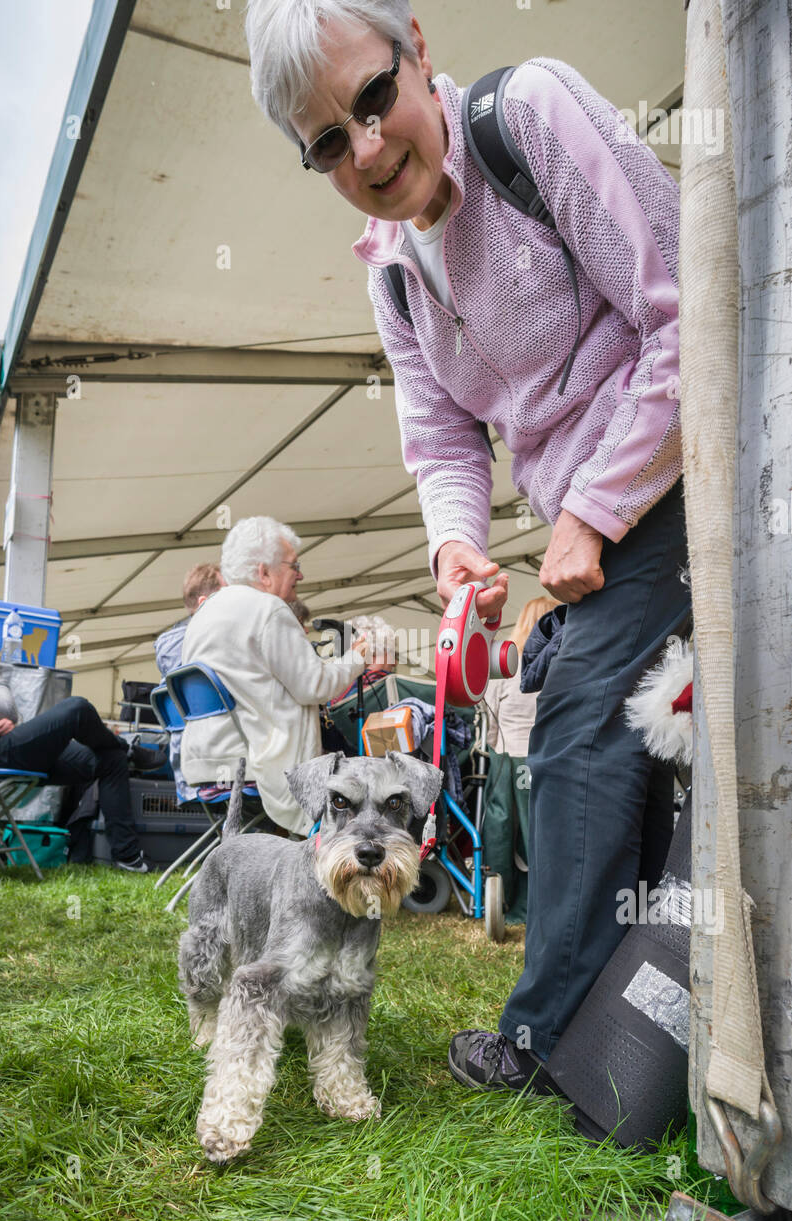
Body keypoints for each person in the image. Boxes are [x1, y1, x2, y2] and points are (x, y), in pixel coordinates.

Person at [245, 1, 690, 1093]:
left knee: (581, 727)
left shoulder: (527, 116)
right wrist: (455, 550)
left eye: (370, 101)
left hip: (681, 485)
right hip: (594, 527)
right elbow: (443, 437)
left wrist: (588, 508)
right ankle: (628, 1028)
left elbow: (688, 316)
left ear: (417, 54)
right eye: (323, 145)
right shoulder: (391, 270)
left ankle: (542, 1043)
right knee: (561, 728)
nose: (363, 149)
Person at [179, 517, 370, 834]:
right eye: (294, 566)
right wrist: (355, 659)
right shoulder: (268, 610)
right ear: (263, 572)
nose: (301, 574)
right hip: (255, 767)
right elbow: (315, 685)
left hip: (205, 761)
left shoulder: (203, 615)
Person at [0, 588, 159, 872]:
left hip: (0, 745)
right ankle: (128, 749)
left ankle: (128, 857)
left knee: (110, 761)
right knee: (76, 709)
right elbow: (5, 708)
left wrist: (4, 718)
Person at [154, 563, 225, 802]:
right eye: (227, 595)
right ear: (205, 603)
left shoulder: (170, 655)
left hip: (189, 774)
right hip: (225, 771)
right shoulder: (213, 646)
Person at [484, 597, 560, 759]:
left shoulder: (504, 667)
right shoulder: (561, 670)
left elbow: (488, 725)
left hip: (508, 761)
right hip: (548, 759)